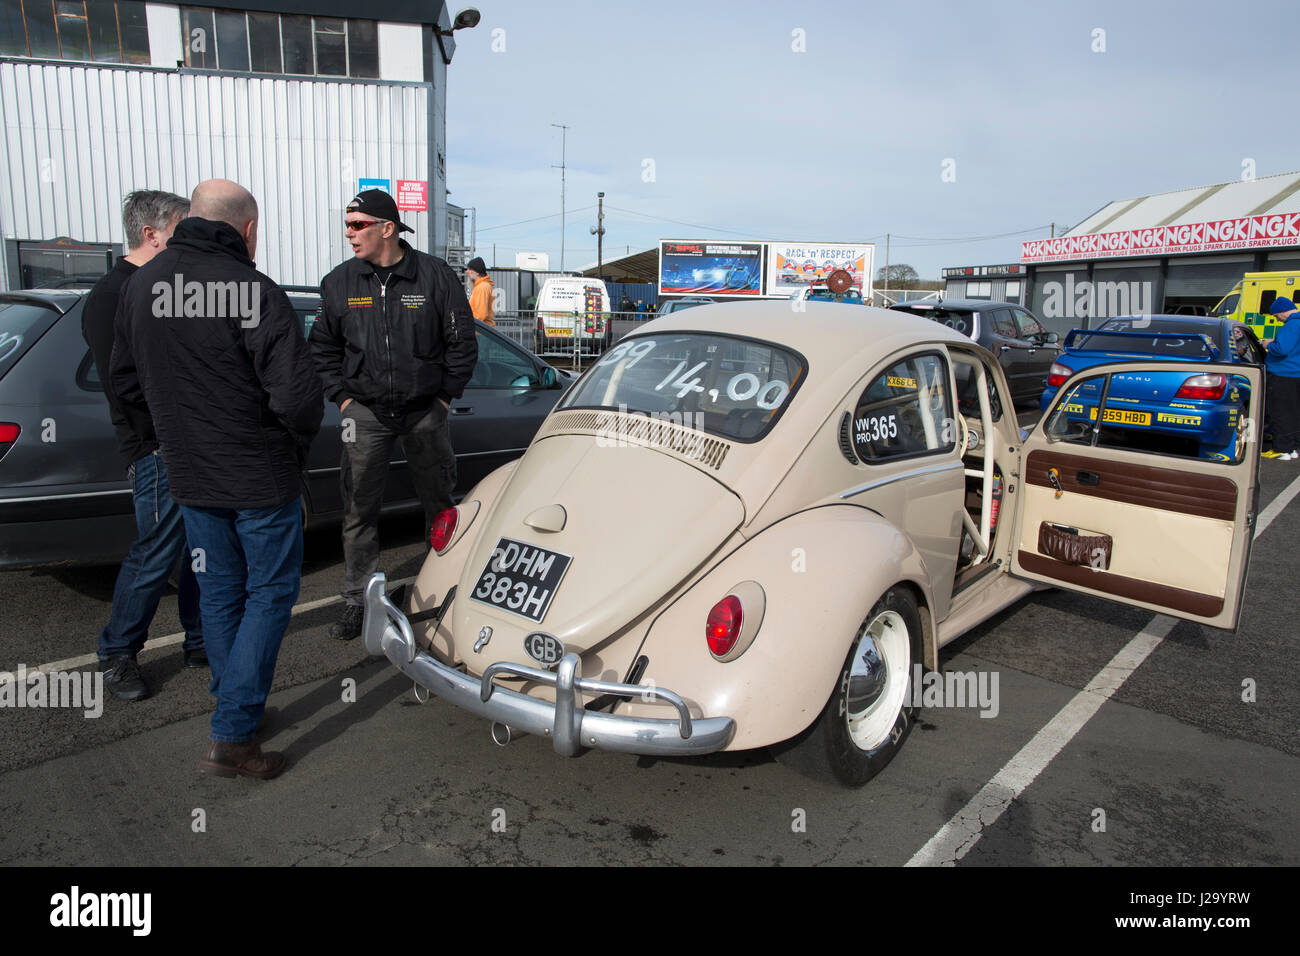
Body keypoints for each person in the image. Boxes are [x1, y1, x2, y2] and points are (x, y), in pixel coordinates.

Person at [112, 179, 323, 778]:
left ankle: (234, 710)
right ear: (247, 229)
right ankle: (233, 734)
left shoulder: (142, 287)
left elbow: (124, 382)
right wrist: (292, 444)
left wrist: (176, 434)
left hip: (190, 474)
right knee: (270, 594)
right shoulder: (252, 290)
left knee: (223, 592)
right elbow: (299, 397)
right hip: (257, 475)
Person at [310, 188, 477, 640]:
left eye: (358, 224)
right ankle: (357, 599)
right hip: (364, 413)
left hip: (426, 411)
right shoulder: (339, 283)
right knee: (358, 508)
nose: (349, 234)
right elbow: (322, 349)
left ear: (388, 228)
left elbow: (462, 345)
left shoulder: (436, 277)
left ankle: (435, 592)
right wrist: (344, 400)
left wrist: (443, 398)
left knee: (440, 504)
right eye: (346, 225)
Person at [83, 190, 201, 701]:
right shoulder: (114, 294)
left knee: (203, 550)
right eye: (182, 227)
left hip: (192, 443)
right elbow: (125, 385)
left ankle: (200, 641)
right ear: (151, 234)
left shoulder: (169, 285)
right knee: (155, 554)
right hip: (157, 448)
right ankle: (117, 655)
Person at [1263, 297, 1300, 460]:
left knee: (1279, 412)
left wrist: (1268, 345)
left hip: (1283, 374)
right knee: (1293, 412)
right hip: (1295, 374)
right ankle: (1293, 448)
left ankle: (1282, 449)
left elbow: (1282, 349)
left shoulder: (1292, 325)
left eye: (1277, 315)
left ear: (1283, 311)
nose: (1277, 319)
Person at [465, 256, 495, 326]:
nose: (467, 271)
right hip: (480, 330)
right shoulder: (480, 286)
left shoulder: (482, 287)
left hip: (481, 332)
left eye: (470, 269)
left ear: (477, 272)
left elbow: (480, 315)